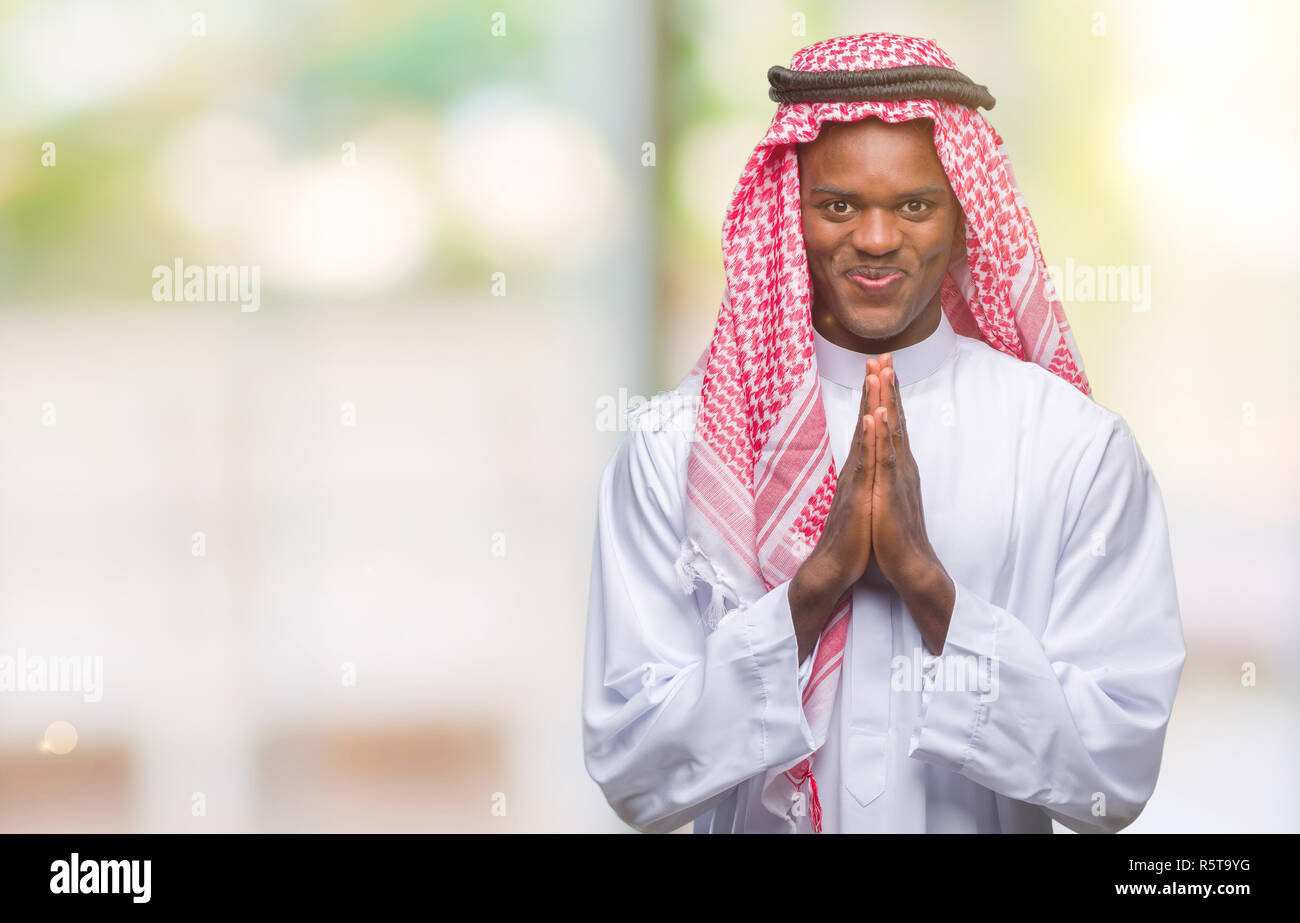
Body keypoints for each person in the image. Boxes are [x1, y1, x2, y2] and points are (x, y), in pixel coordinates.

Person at [581, 32, 1186, 833]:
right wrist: (812, 588)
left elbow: (1116, 773)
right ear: (788, 215)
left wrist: (930, 589)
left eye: (913, 204)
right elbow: (636, 772)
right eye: (838, 205)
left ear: (964, 216)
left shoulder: (1074, 447)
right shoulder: (675, 447)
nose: (873, 239)